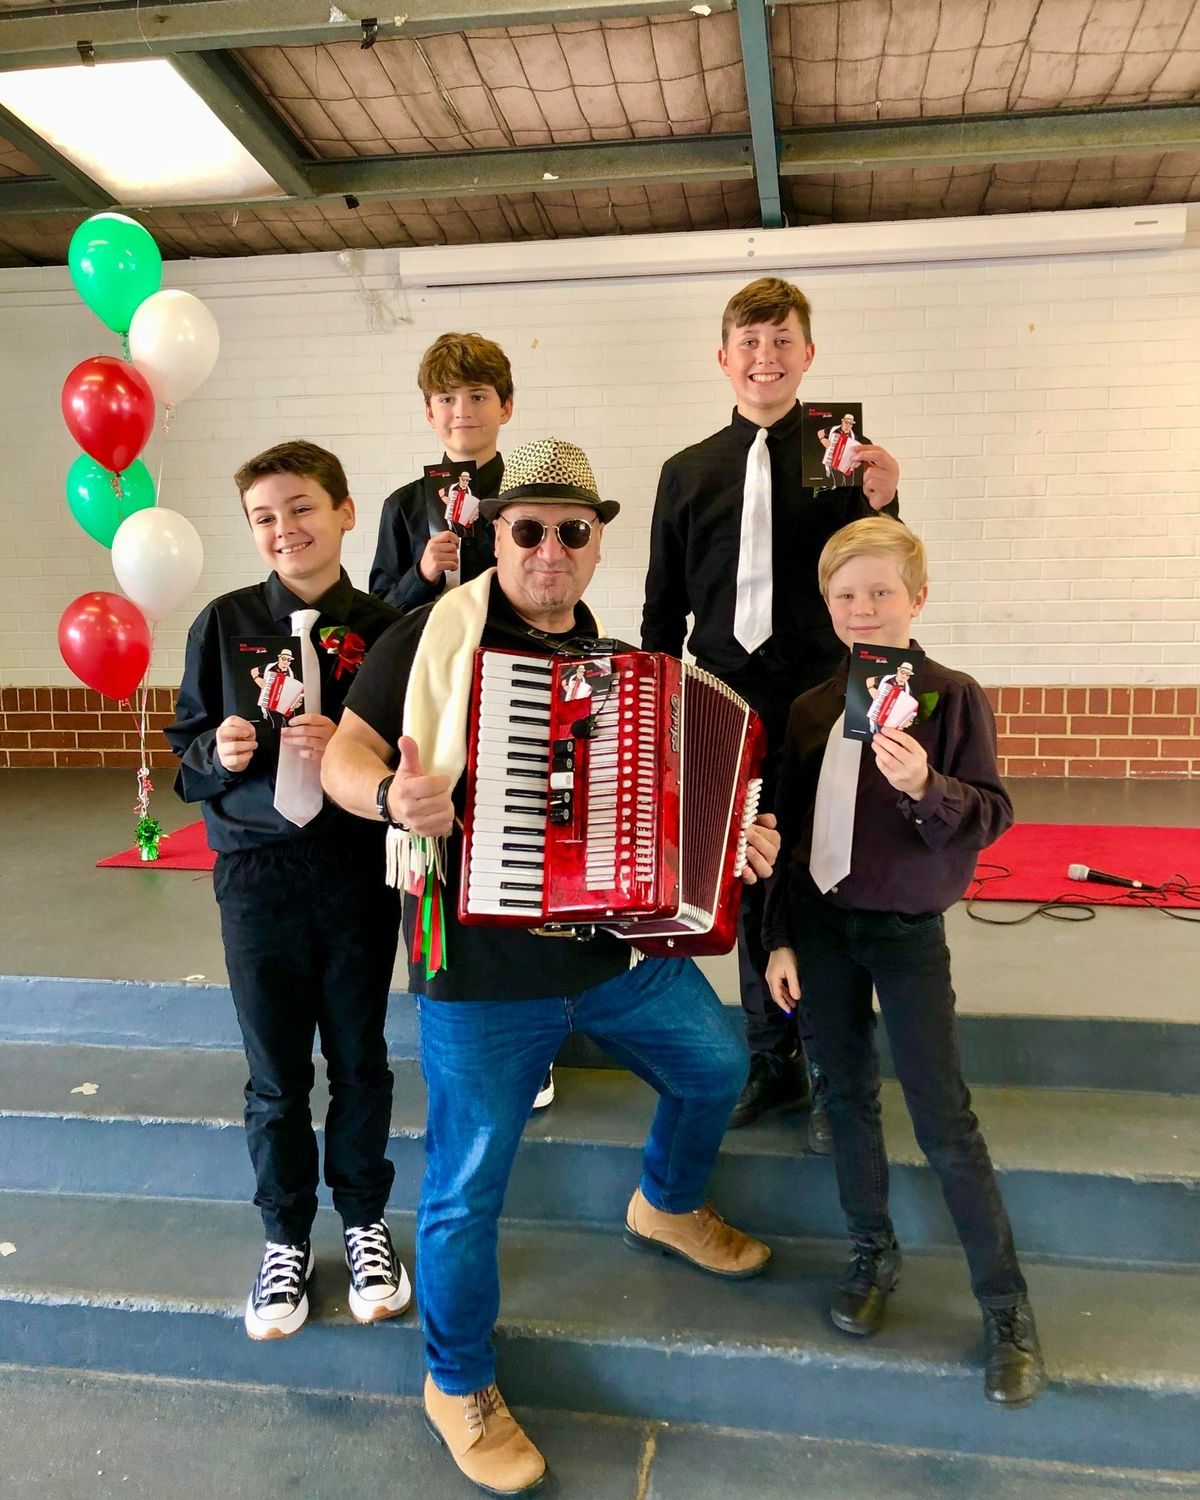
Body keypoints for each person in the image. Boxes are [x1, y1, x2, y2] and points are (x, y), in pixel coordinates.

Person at [322, 437, 780, 1496]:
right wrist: (391, 793)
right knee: (465, 1190)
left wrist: (728, 848)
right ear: (497, 533)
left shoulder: (629, 669)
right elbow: (348, 752)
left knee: (715, 1063)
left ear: (596, 543)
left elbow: (668, 820)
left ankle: (663, 1202)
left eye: (573, 531)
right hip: (480, 976)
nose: (550, 549)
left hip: (612, 957)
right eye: (529, 529)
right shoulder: (428, 639)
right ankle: (456, 1381)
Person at [762, 516, 1046, 1408]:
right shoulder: (811, 708)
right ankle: (871, 1247)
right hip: (822, 928)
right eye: (846, 597)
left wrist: (927, 786)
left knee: (942, 1115)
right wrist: (775, 934)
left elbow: (993, 812)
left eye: (882, 593)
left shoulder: (952, 697)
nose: (864, 610)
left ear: (917, 599)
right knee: (843, 1094)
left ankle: (1005, 1304)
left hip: (905, 933)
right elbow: (791, 830)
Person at [642, 276, 901, 1143]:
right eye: (750, 343)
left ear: (809, 356)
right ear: (724, 359)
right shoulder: (685, 473)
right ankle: (770, 1054)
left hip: (821, 696)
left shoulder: (843, 465)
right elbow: (660, 608)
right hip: (720, 697)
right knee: (747, 874)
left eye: (783, 341)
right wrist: (659, 705)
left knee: (827, 870)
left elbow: (877, 575)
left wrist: (885, 496)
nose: (766, 357)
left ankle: (834, 1064)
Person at [166, 440, 411, 1342]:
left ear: (346, 512)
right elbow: (184, 758)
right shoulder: (224, 623)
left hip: (353, 871)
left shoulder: (390, 630)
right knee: (275, 1074)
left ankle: (364, 1219)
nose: (285, 529)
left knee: (359, 1058)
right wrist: (216, 754)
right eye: (264, 517)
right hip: (258, 875)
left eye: (302, 507)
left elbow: (414, 743)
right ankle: (283, 1236)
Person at [370, 332, 514, 611]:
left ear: (505, 408)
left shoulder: (526, 502)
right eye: (447, 399)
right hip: (426, 652)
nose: (462, 411)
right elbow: (379, 614)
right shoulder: (401, 506)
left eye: (478, 396)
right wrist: (421, 575)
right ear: (430, 413)